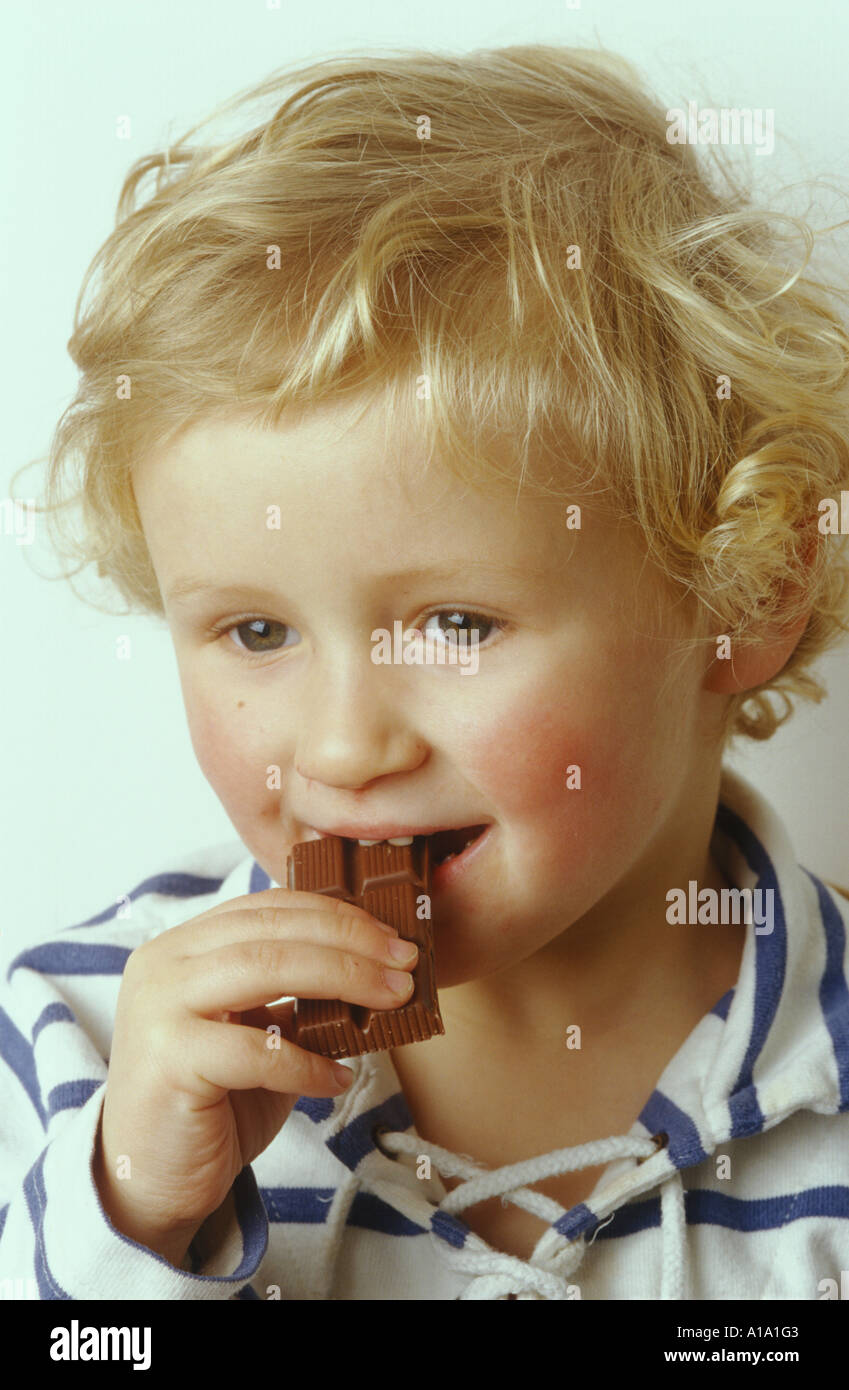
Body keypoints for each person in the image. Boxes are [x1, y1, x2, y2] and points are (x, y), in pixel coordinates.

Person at [3, 44, 849, 1300]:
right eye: (256, 633)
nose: (342, 749)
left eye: (456, 625)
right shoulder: (91, 1035)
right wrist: (135, 1222)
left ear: (747, 595)